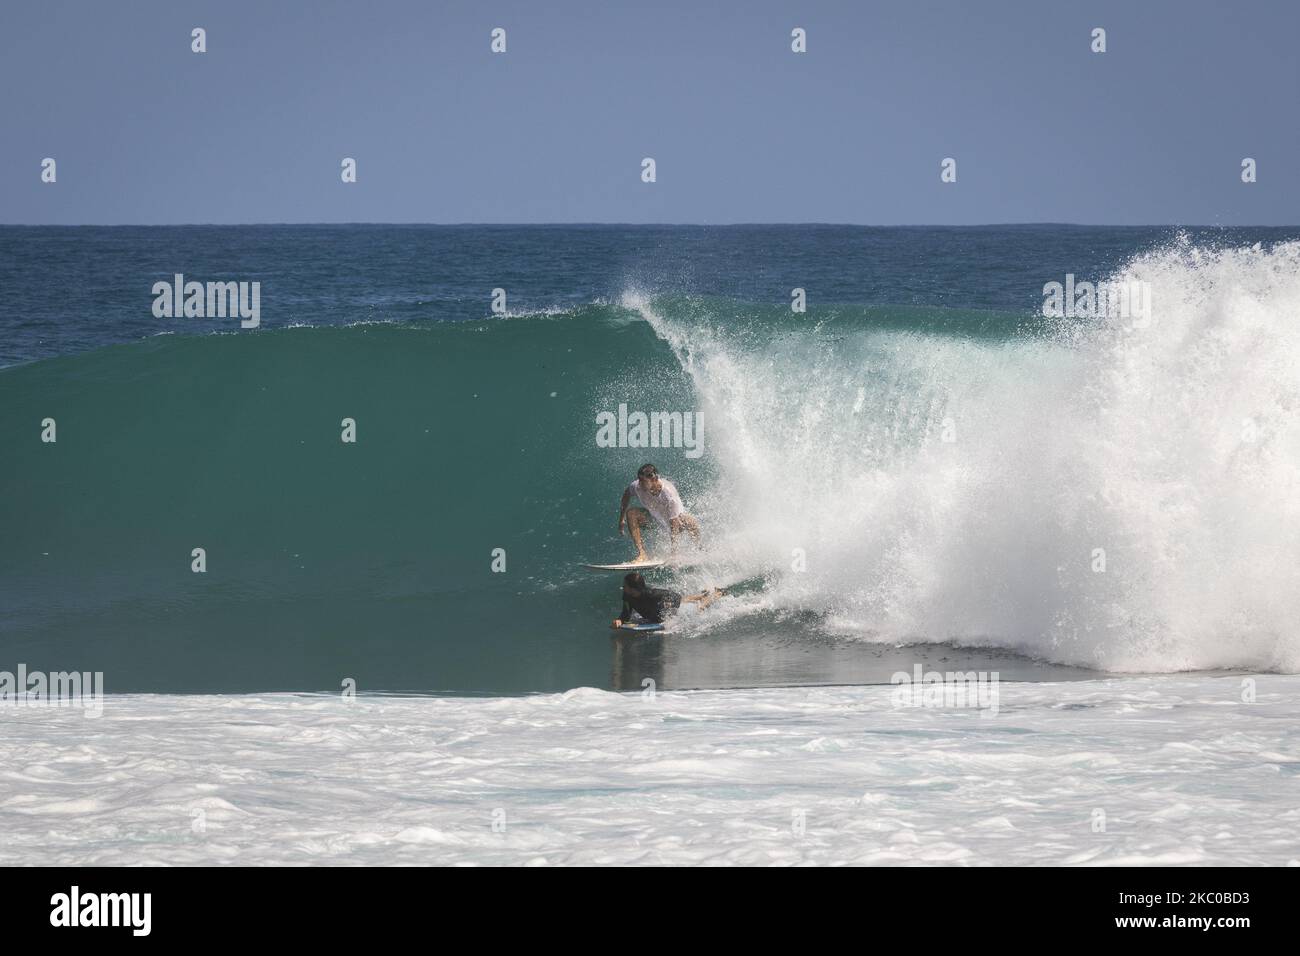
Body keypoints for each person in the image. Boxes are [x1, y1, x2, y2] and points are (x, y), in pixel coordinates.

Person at [617, 463, 701, 562]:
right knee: (631, 513)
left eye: (642, 481)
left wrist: (674, 552)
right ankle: (642, 554)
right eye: (639, 480)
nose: (639, 483)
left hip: (677, 523)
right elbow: (626, 495)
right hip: (655, 521)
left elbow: (674, 523)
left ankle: (699, 548)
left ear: (654, 480)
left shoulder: (669, 493)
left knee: (689, 519)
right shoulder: (637, 486)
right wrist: (621, 518)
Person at [611, 572, 724, 629]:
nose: (623, 587)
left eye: (625, 585)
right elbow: (626, 614)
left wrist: (668, 611)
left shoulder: (652, 594)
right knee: (684, 600)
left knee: (699, 609)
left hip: (674, 611)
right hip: (659, 610)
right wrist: (620, 620)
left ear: (633, 589)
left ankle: (716, 594)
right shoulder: (627, 596)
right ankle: (702, 595)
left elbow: (675, 597)